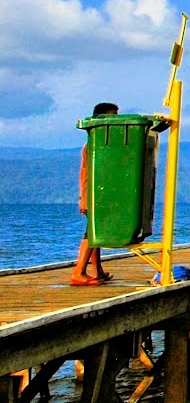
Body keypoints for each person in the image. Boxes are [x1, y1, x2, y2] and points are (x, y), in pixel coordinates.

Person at [69, 102, 119, 286]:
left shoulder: (100, 142)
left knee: (96, 231)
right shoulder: (94, 143)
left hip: (97, 192)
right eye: (113, 116)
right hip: (92, 192)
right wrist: (83, 198)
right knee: (91, 232)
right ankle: (78, 272)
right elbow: (85, 173)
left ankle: (97, 270)